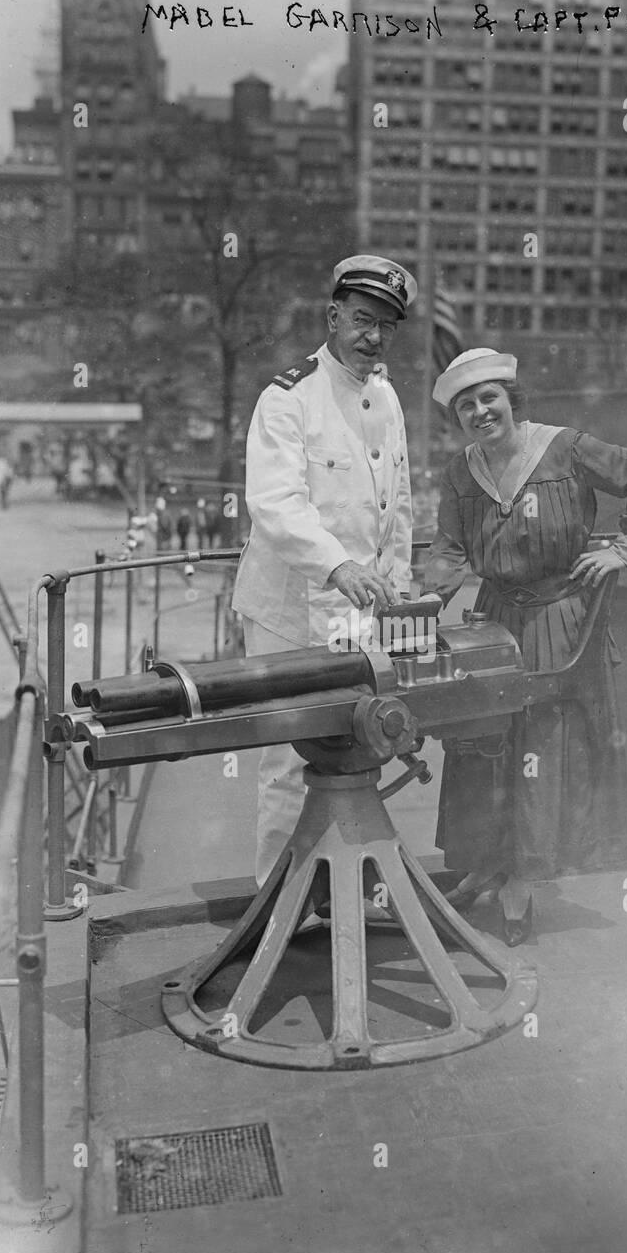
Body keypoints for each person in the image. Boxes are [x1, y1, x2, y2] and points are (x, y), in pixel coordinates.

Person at [424, 349, 627, 945]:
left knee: (542, 748)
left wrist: (624, 547)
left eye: (489, 399)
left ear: (511, 400)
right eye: (466, 406)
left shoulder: (564, 447)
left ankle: (524, 883)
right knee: (486, 744)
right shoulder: (461, 473)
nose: (481, 412)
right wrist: (432, 597)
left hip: (562, 622)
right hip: (495, 622)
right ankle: (488, 861)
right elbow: (450, 549)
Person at [232, 253, 417, 907]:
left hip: (355, 613)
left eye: (386, 327)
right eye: (362, 320)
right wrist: (337, 564)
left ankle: (344, 882)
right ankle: (277, 901)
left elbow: (397, 506)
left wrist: (401, 582)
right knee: (288, 759)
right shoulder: (288, 395)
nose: (372, 337)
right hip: (288, 609)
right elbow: (276, 505)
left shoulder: (386, 397)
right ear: (333, 315)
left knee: (354, 744)